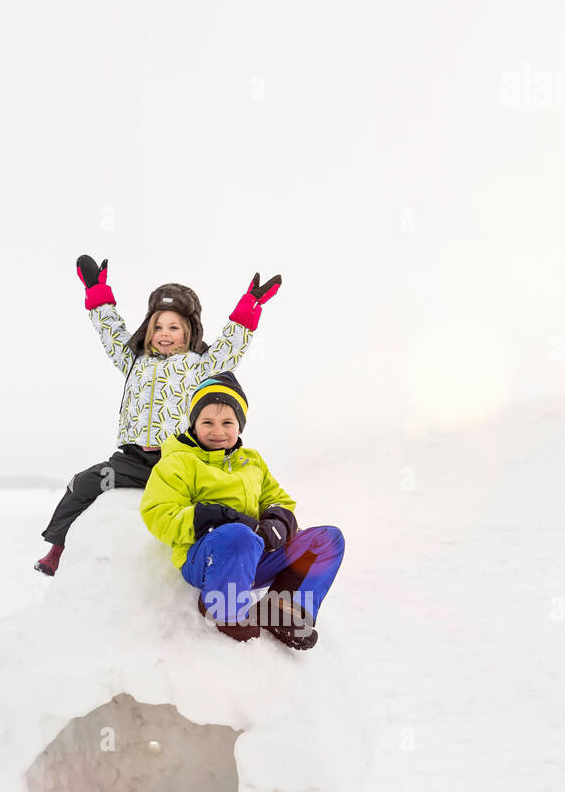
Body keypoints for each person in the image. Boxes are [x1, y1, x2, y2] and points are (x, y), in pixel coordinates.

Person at [35, 260, 282, 575]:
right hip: (134, 460)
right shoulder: (134, 361)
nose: (165, 335)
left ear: (188, 330)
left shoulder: (199, 364)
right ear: (149, 330)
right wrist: (97, 294)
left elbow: (229, 349)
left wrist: (250, 306)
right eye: (158, 327)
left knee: (211, 501)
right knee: (82, 484)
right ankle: (58, 548)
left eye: (173, 327)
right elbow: (111, 335)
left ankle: (240, 550)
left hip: (178, 460)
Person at [140, 373, 345, 649]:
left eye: (227, 423)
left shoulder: (252, 462)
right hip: (206, 560)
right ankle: (223, 608)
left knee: (328, 540)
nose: (218, 431)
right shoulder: (178, 463)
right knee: (238, 536)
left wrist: (278, 522)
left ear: (240, 425)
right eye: (207, 422)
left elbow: (279, 499)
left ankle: (284, 610)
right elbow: (159, 513)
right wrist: (212, 519)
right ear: (194, 423)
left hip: (253, 557)